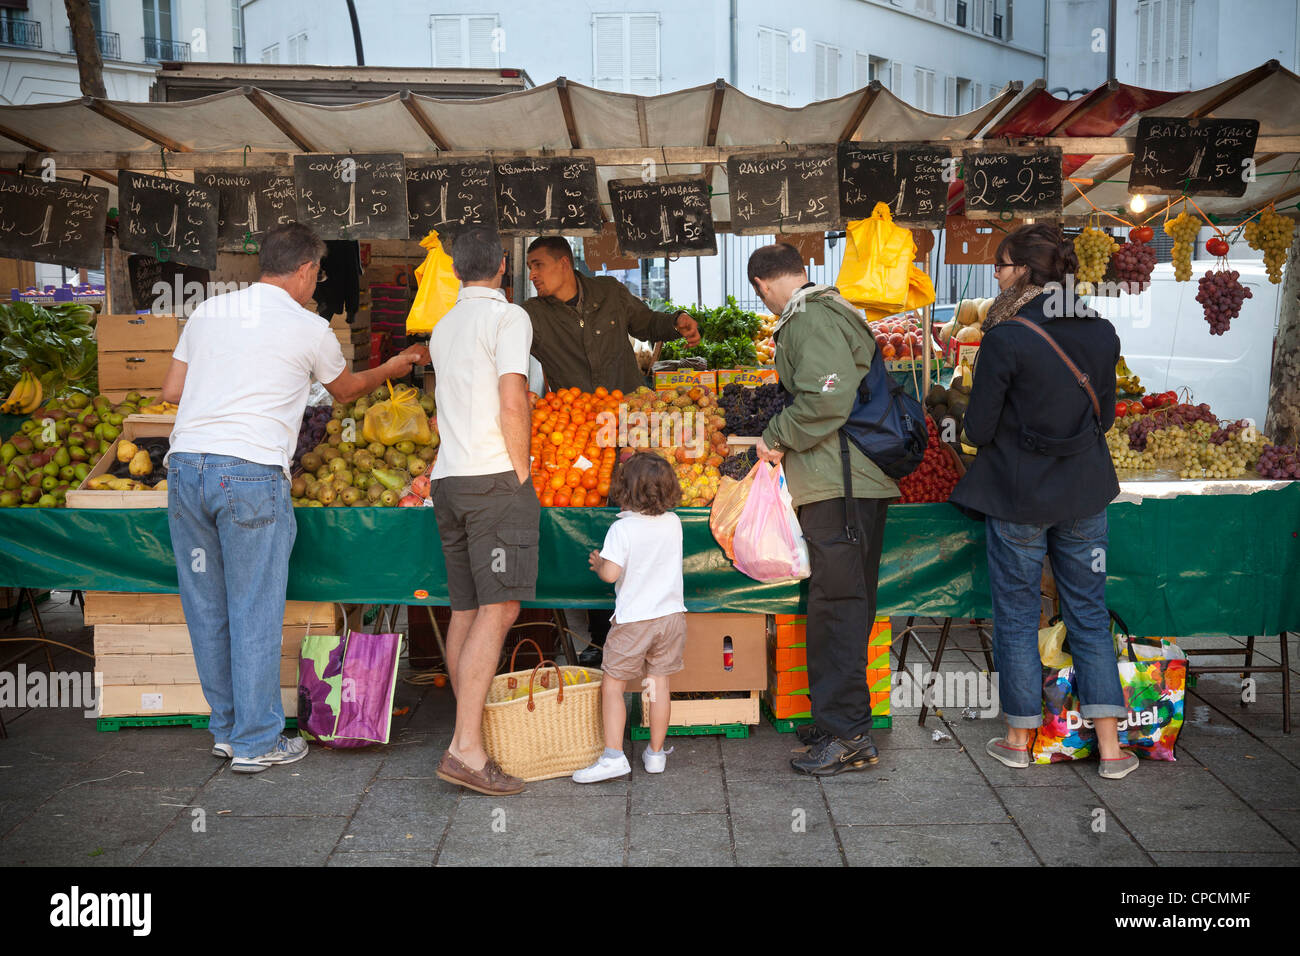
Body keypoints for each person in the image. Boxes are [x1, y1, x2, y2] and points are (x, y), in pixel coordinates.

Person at [161, 223, 426, 774]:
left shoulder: (209, 313)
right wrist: (399, 365)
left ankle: (228, 729)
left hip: (187, 469)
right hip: (250, 475)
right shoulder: (308, 327)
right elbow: (347, 390)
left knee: (207, 608)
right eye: (318, 275)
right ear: (306, 270)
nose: (316, 284)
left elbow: (172, 391)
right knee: (254, 608)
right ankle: (257, 741)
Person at [948, 223, 1135, 780]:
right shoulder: (1100, 330)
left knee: (1017, 612)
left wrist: (953, 420)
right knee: (1088, 613)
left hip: (1019, 497)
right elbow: (1104, 417)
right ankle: (1111, 750)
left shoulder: (1006, 337)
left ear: (1024, 270)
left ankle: (1018, 738)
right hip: (1085, 493)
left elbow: (977, 428)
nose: (996, 277)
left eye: (1001, 267)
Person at [747, 243, 898, 775]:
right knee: (842, 604)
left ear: (763, 285)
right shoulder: (827, 309)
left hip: (842, 485)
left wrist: (775, 435)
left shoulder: (809, 319)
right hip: (847, 482)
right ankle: (839, 719)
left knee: (837, 606)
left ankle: (849, 735)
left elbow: (827, 399)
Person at [522, 236, 701, 667]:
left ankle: (648, 623)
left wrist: (676, 321)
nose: (532, 275)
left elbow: (644, 321)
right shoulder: (528, 315)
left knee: (636, 519)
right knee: (588, 521)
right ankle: (602, 635)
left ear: (564, 264)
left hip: (632, 427)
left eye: (538, 265)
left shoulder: (607, 292)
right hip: (575, 432)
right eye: (530, 267)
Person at [427, 228, 540, 797]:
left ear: (455, 271)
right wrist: (521, 472)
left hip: (449, 481)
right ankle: (466, 748)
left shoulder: (443, 326)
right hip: (493, 477)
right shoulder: (509, 317)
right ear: (502, 265)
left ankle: (464, 737)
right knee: (500, 609)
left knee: (467, 609)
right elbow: (512, 394)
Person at [576, 452, 686, 782]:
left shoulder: (621, 529)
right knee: (658, 683)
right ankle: (655, 754)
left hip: (635, 620)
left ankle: (613, 756)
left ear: (625, 489)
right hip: (671, 617)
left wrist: (598, 564)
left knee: (613, 684)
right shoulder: (674, 522)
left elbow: (611, 574)